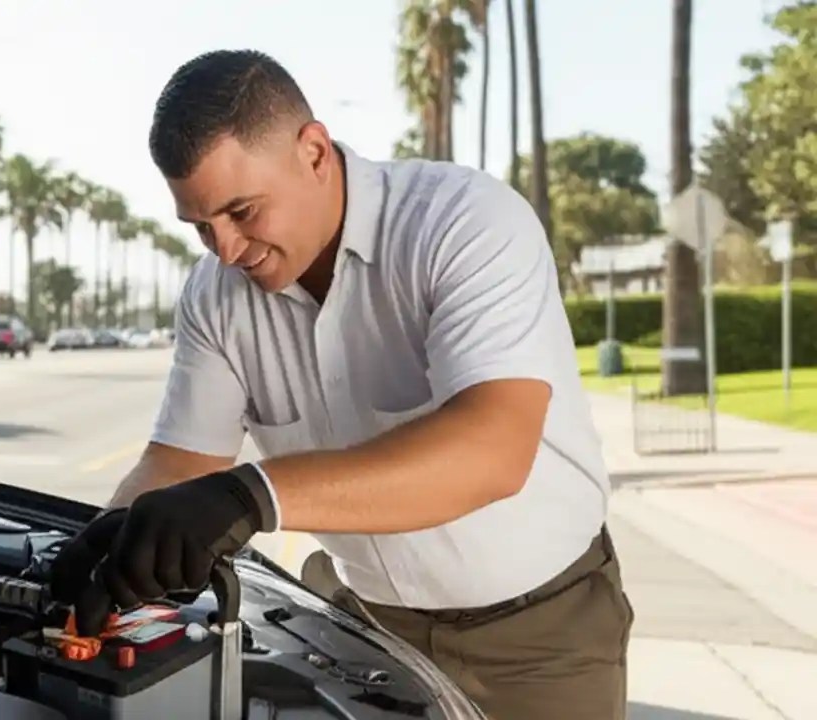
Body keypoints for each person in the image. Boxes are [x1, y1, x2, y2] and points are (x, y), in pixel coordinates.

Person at [49, 49, 632, 719]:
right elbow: (182, 460)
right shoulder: (216, 295)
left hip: (539, 637)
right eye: (201, 227)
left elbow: (492, 450)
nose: (227, 250)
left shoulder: (466, 222)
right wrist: (118, 534)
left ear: (315, 152)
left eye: (242, 211)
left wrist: (251, 497)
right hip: (360, 630)